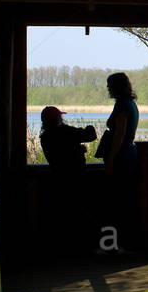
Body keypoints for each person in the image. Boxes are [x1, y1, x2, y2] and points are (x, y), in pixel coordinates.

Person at [38, 107, 98, 254]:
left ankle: (65, 249)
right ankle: (82, 247)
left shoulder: (45, 137)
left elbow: (60, 155)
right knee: (79, 213)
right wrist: (89, 127)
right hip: (77, 179)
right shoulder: (65, 131)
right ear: (58, 119)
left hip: (58, 180)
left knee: (63, 215)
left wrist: (77, 150)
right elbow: (90, 135)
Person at [97, 72, 140, 252]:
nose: (108, 88)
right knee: (124, 201)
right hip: (129, 155)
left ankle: (115, 245)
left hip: (121, 158)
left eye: (109, 85)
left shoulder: (122, 105)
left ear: (116, 87)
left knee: (115, 203)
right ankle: (123, 244)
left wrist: (111, 160)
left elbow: (119, 135)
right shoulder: (131, 104)